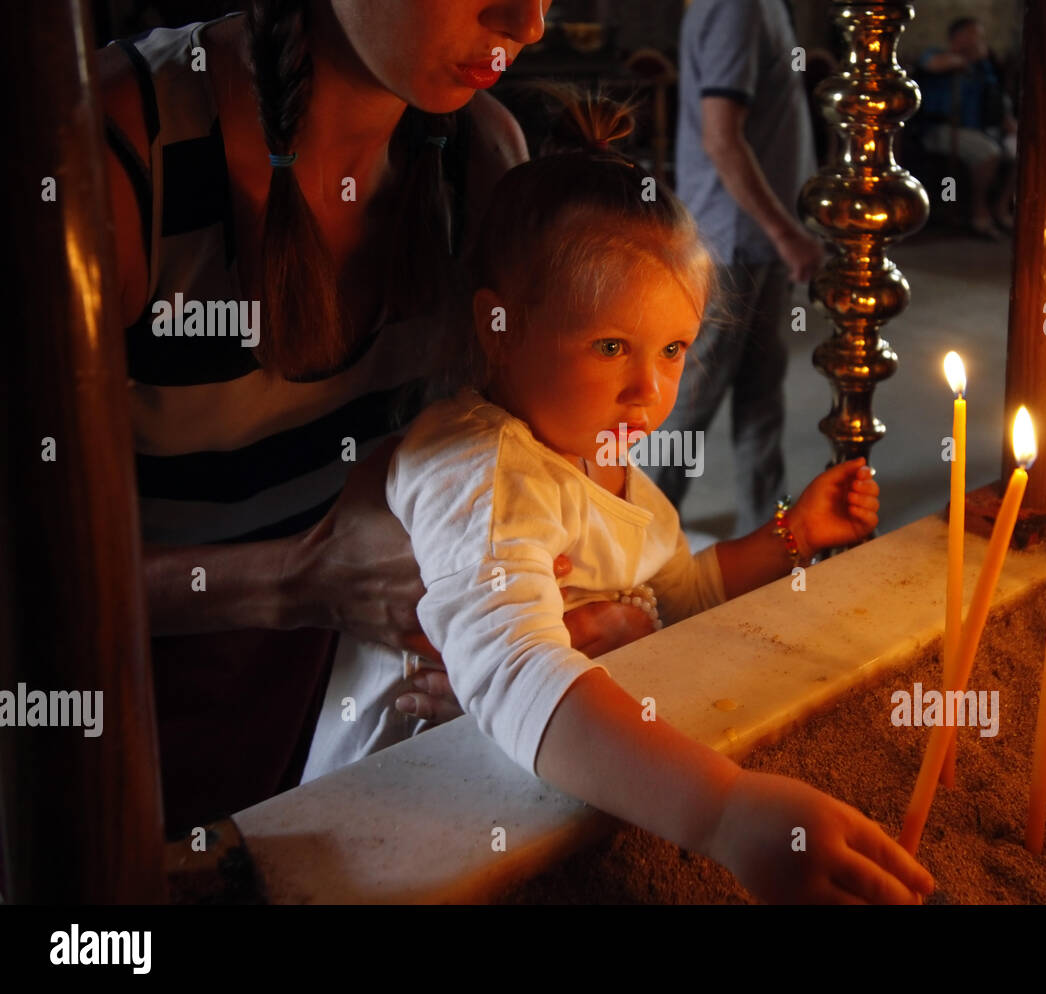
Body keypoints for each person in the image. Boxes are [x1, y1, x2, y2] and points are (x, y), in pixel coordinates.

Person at [300, 88, 930, 905]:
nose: (649, 389)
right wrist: (723, 814)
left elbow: (677, 597)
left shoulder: (616, 472)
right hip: (402, 826)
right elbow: (517, 671)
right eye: (609, 346)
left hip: (548, 784)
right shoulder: (483, 471)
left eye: (673, 348)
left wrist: (790, 536)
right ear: (499, 328)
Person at [97, 0, 654, 837]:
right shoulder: (116, 155)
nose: (528, 23)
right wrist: (299, 581)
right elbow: (28, 574)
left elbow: (523, 474)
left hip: (356, 745)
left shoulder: (480, 158)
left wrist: (585, 609)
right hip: (120, 745)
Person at [654, 0, 822, 538]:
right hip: (733, 242)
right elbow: (721, 137)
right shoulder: (737, 5)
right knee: (687, 404)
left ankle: (769, 534)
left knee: (760, 393)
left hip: (751, 241)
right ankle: (632, 541)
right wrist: (785, 231)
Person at [914, 16, 1017, 238]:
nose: (977, 41)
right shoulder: (935, 55)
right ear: (957, 37)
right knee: (988, 153)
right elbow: (932, 65)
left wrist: (1007, 120)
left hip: (981, 129)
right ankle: (978, 212)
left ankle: (1001, 207)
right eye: (972, 35)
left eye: (979, 36)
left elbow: (997, 98)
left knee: (1020, 151)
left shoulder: (984, 68)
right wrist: (964, 60)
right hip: (941, 129)